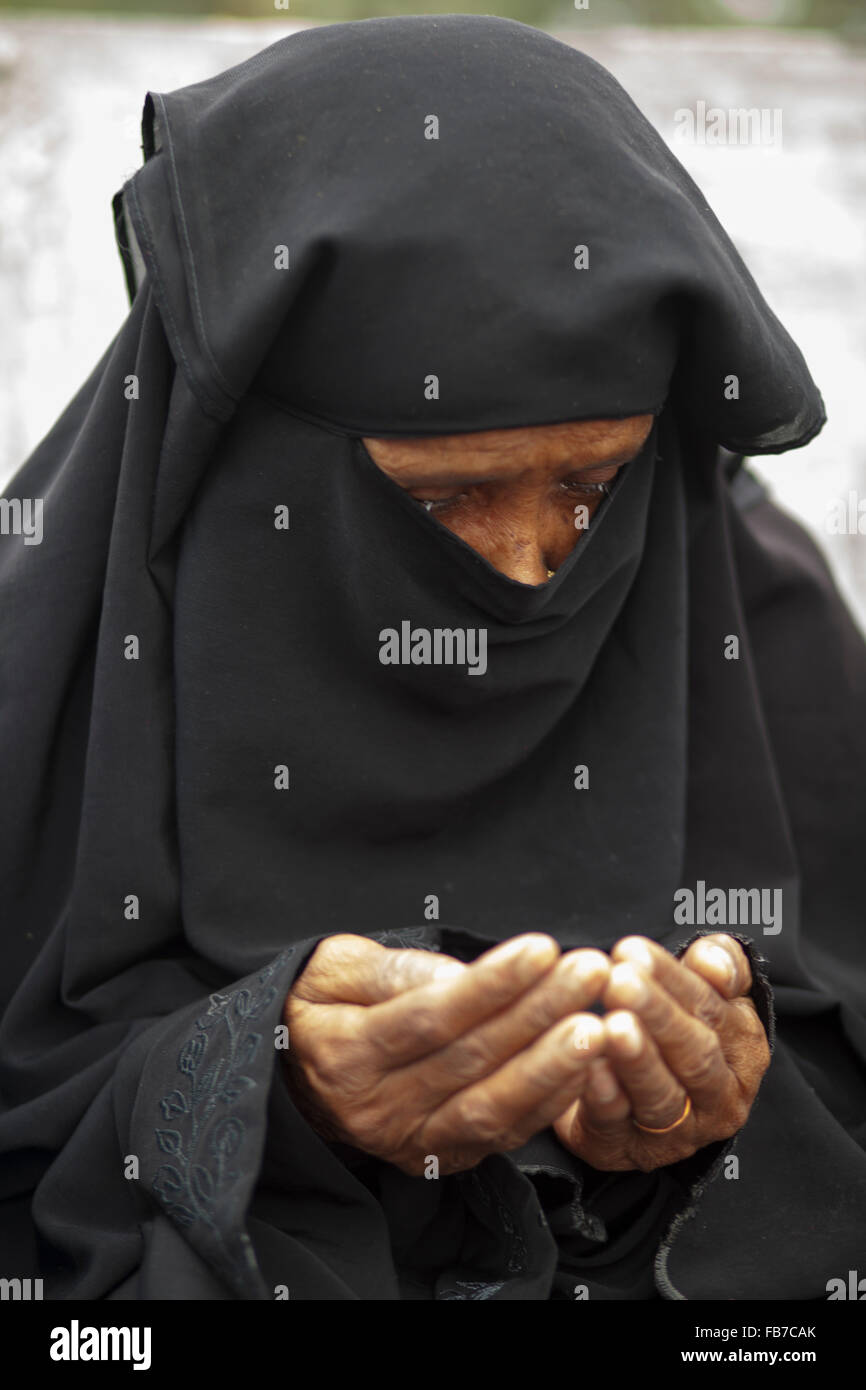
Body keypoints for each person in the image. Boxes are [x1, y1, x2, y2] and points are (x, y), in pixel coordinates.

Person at [0, 14, 863, 1302]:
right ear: (236, 460)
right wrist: (247, 1085)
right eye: (444, 499)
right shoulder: (49, 669)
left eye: (594, 482)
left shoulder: (763, 627)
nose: (529, 567)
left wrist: (705, 1134)